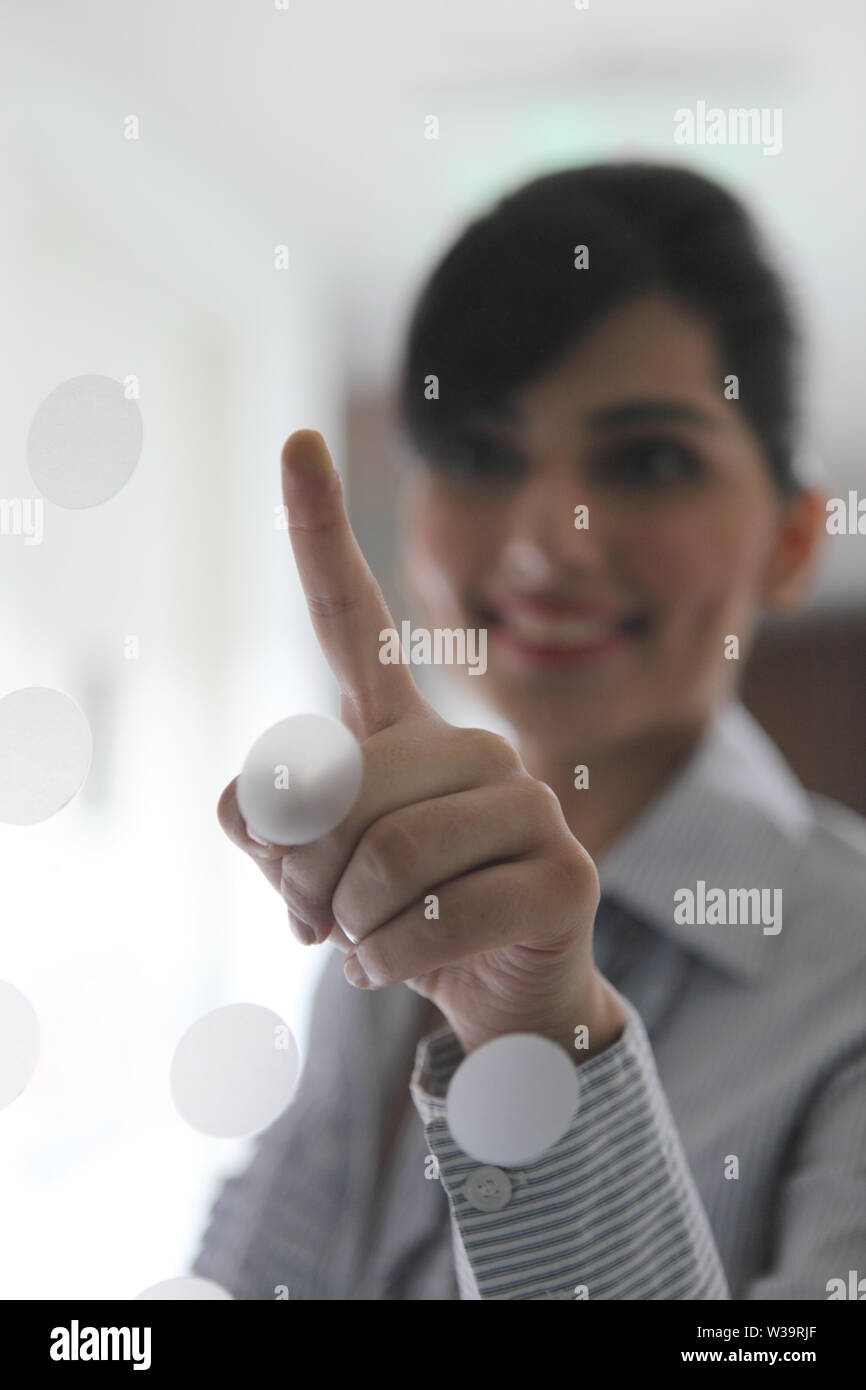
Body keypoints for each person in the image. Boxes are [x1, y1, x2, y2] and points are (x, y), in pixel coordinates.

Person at [191, 162, 866, 1300]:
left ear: (792, 539)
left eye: (647, 458)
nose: (548, 544)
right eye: (478, 453)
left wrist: (539, 1050)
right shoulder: (389, 916)